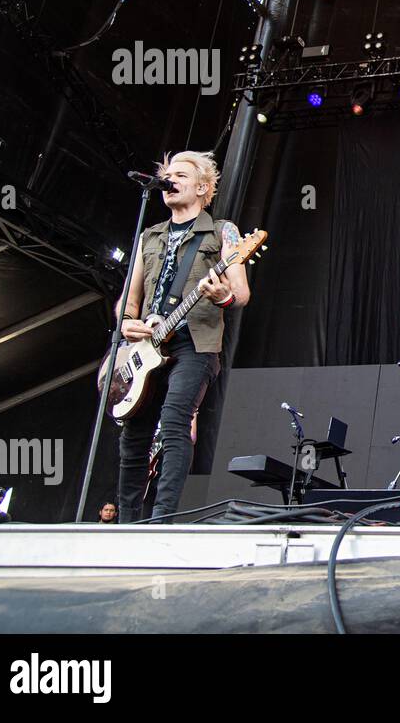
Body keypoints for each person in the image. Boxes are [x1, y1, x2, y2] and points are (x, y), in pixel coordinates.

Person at [115, 150, 251, 523]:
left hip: (195, 341)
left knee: (175, 421)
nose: (170, 180)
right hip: (146, 345)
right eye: (167, 175)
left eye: (180, 174)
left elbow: (240, 292)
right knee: (135, 432)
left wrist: (222, 294)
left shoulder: (223, 231)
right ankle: (126, 524)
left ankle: (161, 521)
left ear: (203, 187)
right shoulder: (151, 235)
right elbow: (130, 296)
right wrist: (127, 321)